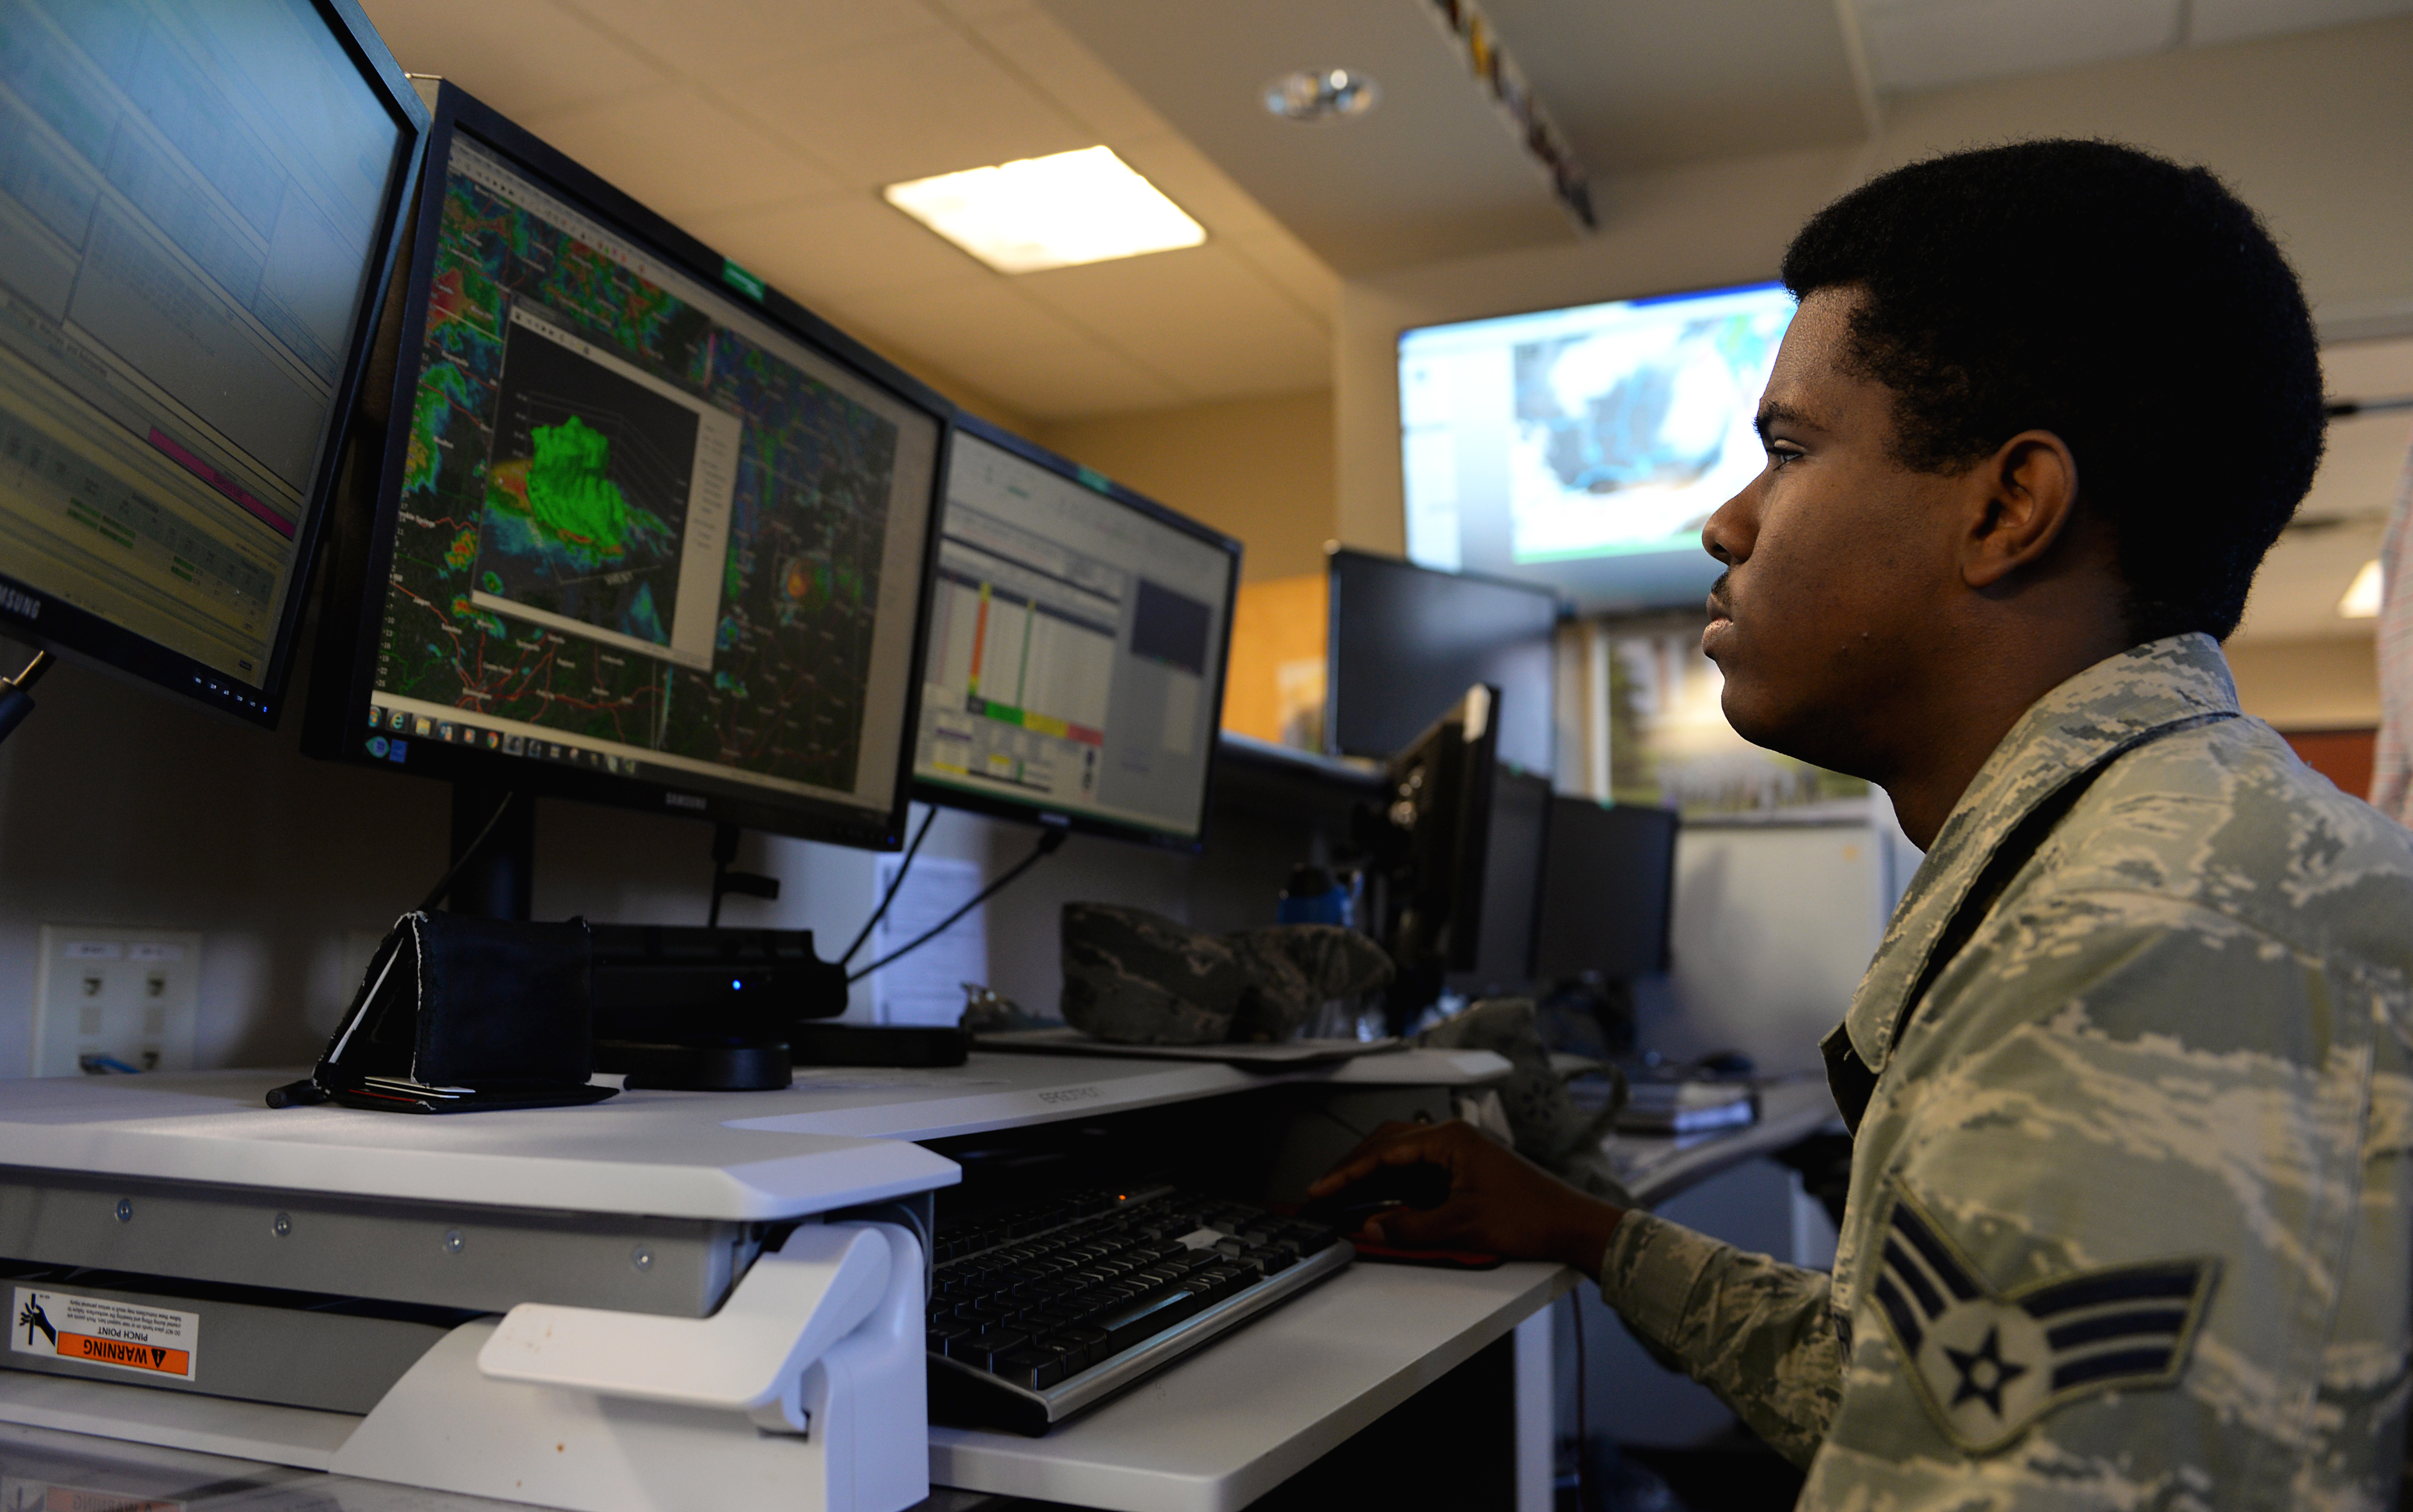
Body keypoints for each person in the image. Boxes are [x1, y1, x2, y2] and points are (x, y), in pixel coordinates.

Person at [1311, 139, 2413, 1507]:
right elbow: (1939, 1382)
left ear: (2009, 507)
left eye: (1785, 450)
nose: (1725, 521)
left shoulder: (2114, 962)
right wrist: (1590, 1232)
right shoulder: (2158, 857)